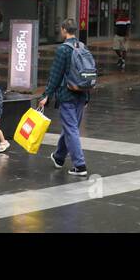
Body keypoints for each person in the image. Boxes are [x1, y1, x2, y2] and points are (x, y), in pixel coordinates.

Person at [38, 18, 92, 177]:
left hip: (67, 95)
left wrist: (46, 95)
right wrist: (87, 96)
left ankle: (80, 165)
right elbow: (87, 74)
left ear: (63, 30)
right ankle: (59, 157)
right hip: (81, 94)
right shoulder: (82, 46)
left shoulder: (63, 50)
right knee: (71, 127)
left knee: (71, 129)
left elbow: (55, 75)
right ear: (74, 30)